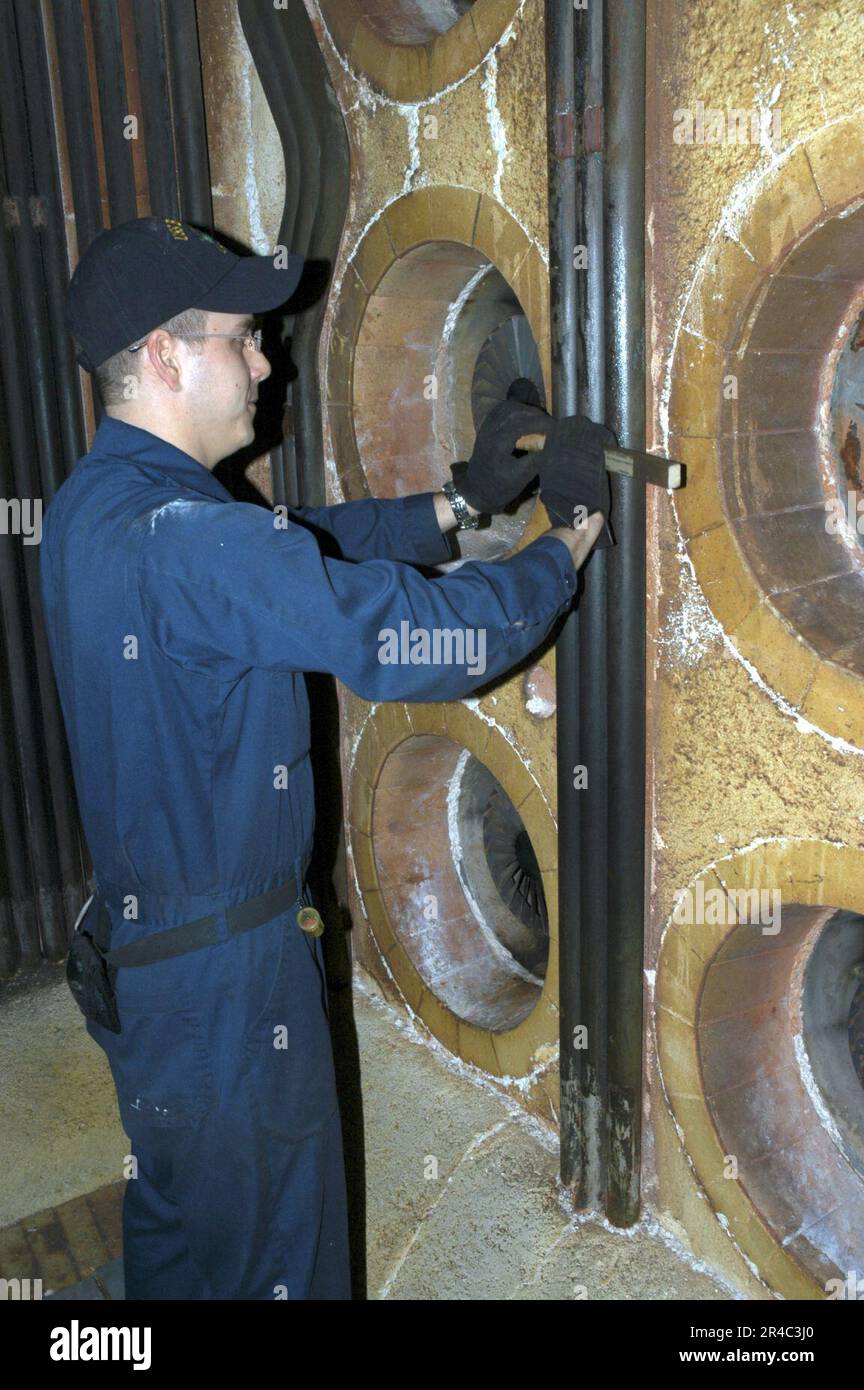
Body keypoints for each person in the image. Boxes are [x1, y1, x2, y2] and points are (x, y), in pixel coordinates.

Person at [39, 215, 612, 1301]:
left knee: (189, 1236)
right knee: (277, 1264)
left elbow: (301, 544)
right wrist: (566, 541)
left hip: (151, 958)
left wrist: (459, 501)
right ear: (166, 353)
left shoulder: (100, 511)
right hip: (228, 983)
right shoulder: (195, 539)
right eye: (245, 339)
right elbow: (426, 642)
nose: (268, 361)